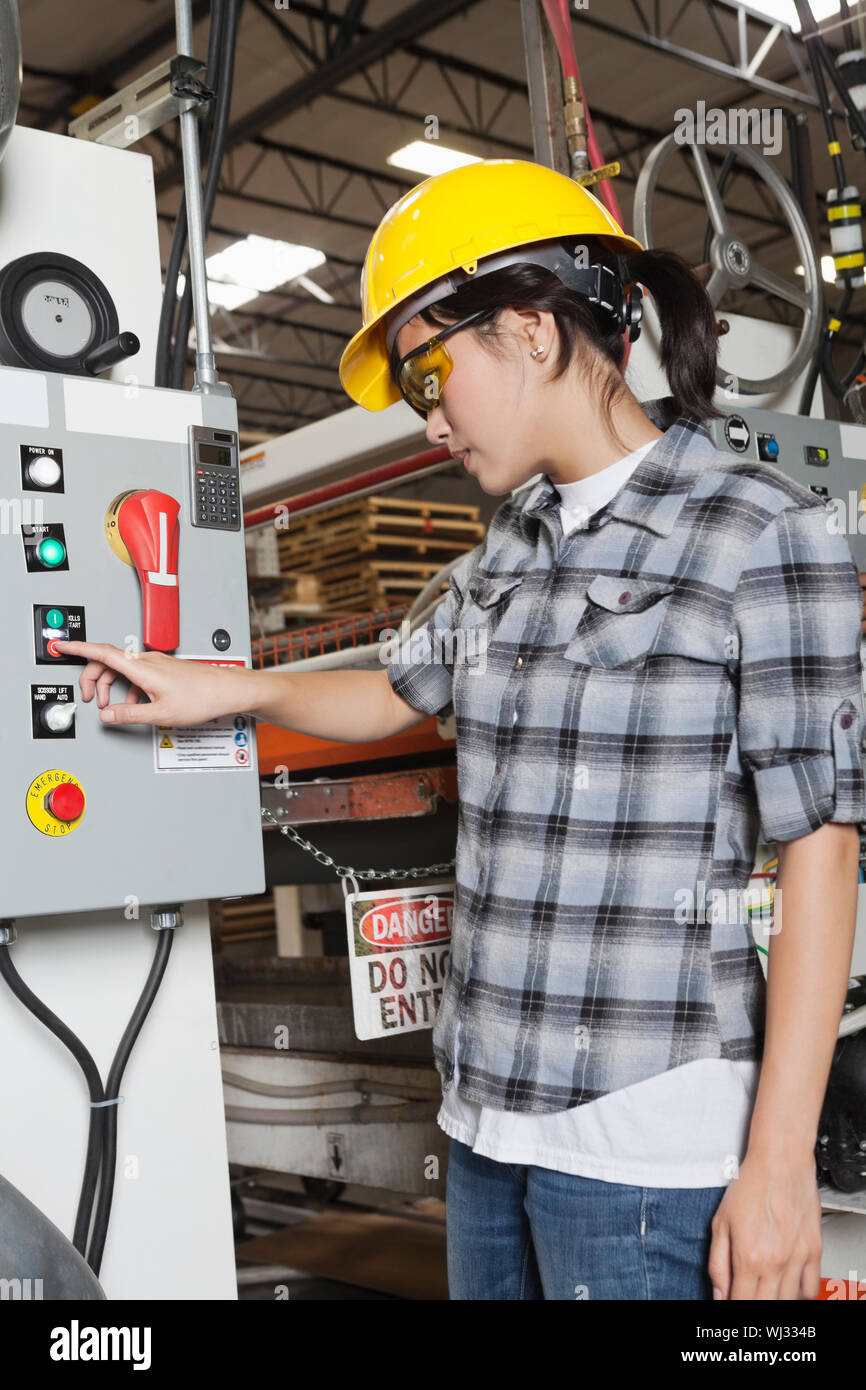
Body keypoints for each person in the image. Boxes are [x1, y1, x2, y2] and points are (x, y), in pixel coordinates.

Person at [58, 158, 866, 1302]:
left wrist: (778, 1163)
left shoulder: (754, 533)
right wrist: (221, 689)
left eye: (430, 375)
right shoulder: (508, 546)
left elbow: (818, 849)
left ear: (530, 332)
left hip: (641, 1146)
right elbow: (399, 693)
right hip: (483, 1123)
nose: (428, 419)